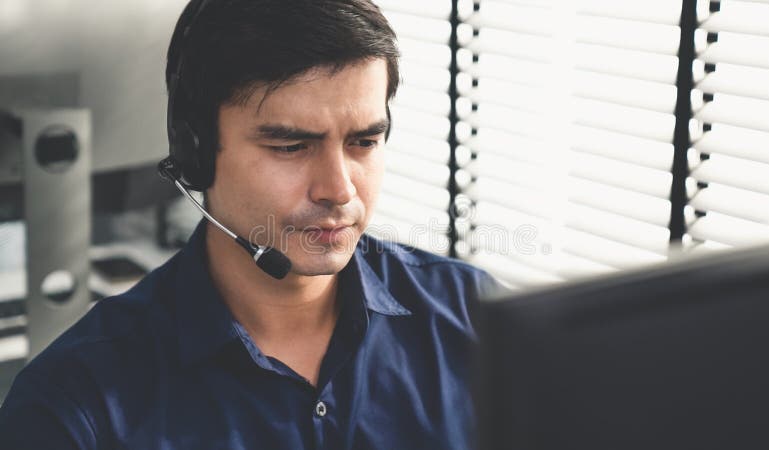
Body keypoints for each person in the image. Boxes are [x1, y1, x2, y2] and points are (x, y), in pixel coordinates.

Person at [0, 0, 498, 448]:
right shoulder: (72, 406)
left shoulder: (478, 318)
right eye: (290, 147)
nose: (339, 189)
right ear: (195, 151)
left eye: (363, 142)